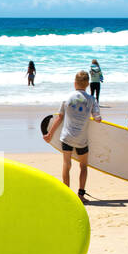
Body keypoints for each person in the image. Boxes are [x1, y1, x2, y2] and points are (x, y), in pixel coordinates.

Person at [44, 70, 102, 201]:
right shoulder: (91, 99)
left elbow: (59, 118)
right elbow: (98, 118)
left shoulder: (67, 98)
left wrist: (49, 134)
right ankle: (81, 195)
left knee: (67, 164)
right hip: (82, 139)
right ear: (87, 84)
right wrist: (96, 118)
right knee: (83, 166)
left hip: (67, 137)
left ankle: (67, 195)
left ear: (75, 83)